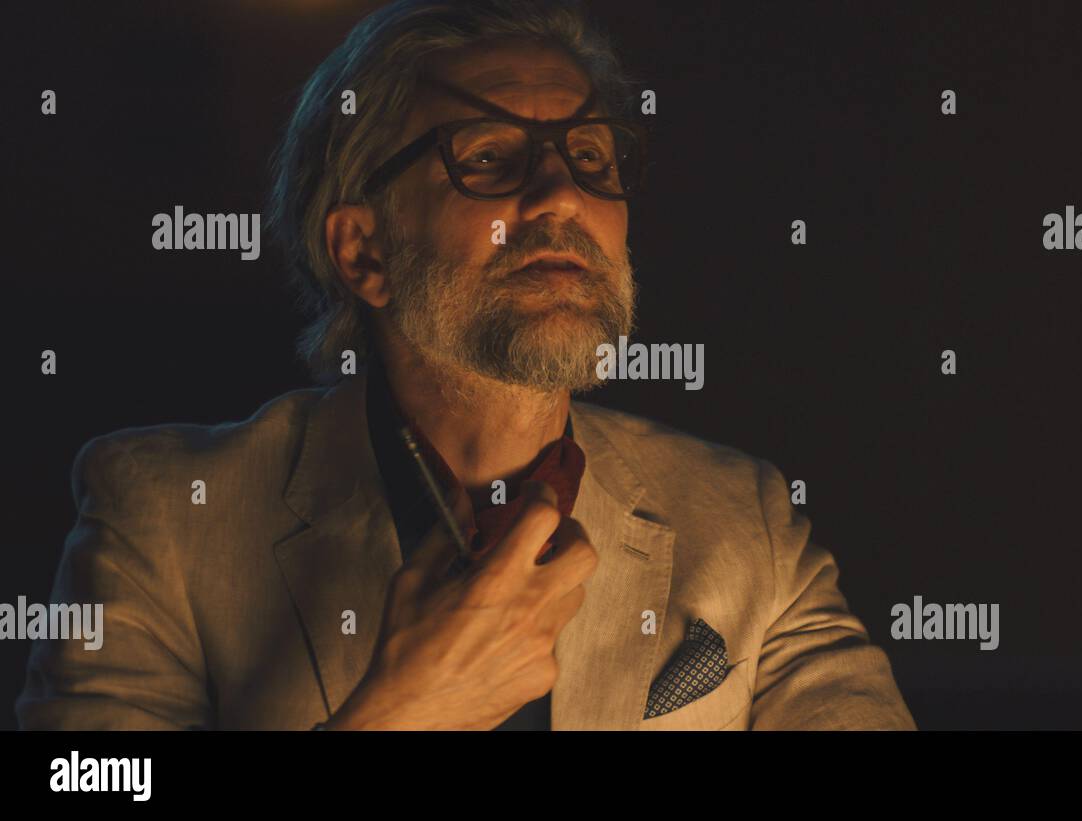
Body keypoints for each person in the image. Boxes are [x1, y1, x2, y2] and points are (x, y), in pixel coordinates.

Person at [17, 0, 915, 731]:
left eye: (591, 157)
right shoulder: (160, 517)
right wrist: (407, 712)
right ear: (363, 252)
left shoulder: (747, 523)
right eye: (488, 157)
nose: (562, 191)